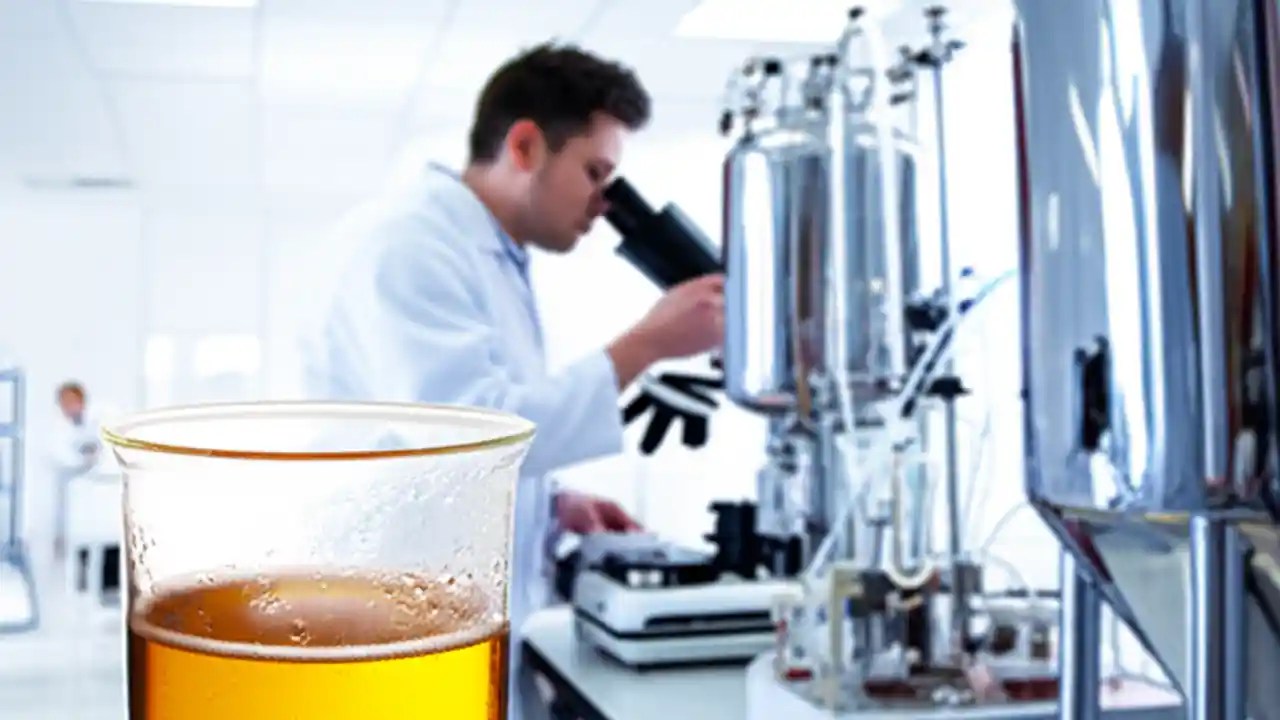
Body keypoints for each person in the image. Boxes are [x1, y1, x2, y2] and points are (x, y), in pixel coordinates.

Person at [299, 42, 725, 716]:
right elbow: (470, 436)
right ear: (525, 145)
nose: (604, 203)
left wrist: (553, 505)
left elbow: (453, 431)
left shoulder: (488, 255)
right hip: (399, 635)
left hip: (453, 625)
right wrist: (648, 342)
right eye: (595, 171)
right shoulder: (410, 245)